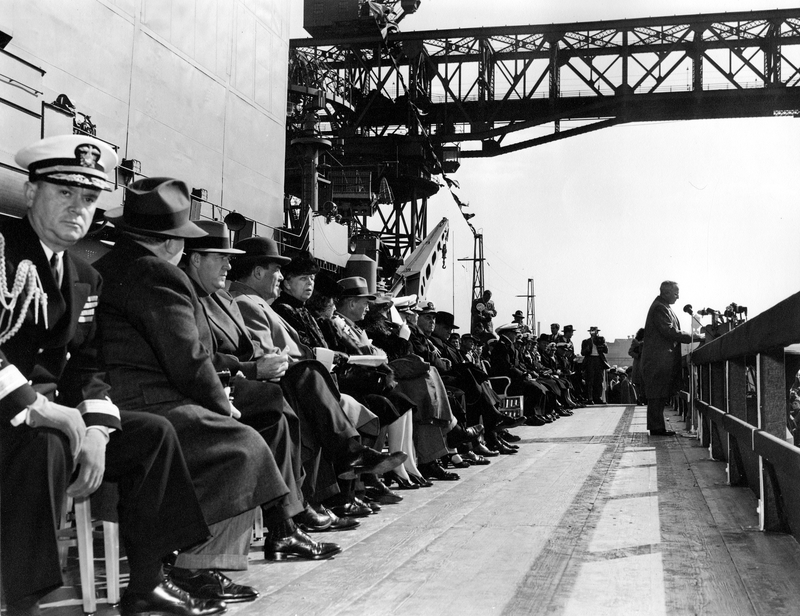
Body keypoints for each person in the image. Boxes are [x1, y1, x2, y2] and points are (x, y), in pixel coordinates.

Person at [1, 137, 223, 616]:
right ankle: (24, 600)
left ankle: (146, 583)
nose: (78, 208)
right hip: (10, 416)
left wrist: (100, 427)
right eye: (64, 193)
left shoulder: (84, 275)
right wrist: (37, 406)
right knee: (45, 444)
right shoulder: (0, 250)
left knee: (152, 435)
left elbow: (87, 363)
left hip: (54, 421)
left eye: (88, 198)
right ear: (29, 192)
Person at [93, 177, 313, 592]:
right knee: (244, 446)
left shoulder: (108, 265)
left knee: (244, 436)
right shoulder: (157, 273)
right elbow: (188, 359)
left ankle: (192, 553)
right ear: (173, 241)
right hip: (148, 406)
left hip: (118, 403)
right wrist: (222, 404)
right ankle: (196, 565)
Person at [640, 281, 697, 436]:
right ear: (666, 292)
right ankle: (656, 428)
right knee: (656, 394)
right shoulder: (660, 308)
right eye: (676, 292)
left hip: (660, 360)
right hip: (658, 360)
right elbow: (669, 331)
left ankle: (657, 427)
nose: (678, 296)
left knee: (658, 394)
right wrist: (695, 337)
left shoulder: (662, 306)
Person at [580, 326, 609, 404]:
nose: (593, 333)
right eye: (591, 331)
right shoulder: (586, 341)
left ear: (597, 332)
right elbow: (582, 352)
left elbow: (606, 351)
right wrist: (587, 349)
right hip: (590, 360)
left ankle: (598, 397)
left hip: (599, 360)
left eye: (594, 331)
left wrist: (602, 343)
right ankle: (590, 398)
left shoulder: (600, 339)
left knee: (599, 380)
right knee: (590, 380)